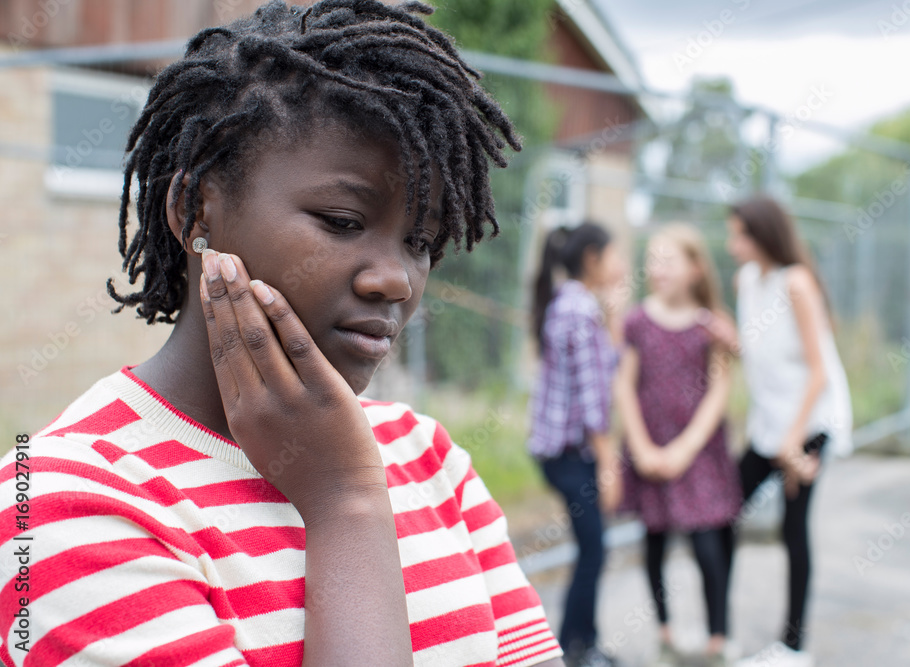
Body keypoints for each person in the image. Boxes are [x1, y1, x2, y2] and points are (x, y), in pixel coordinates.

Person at [0, 2, 566, 665]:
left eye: (420, 241)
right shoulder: (63, 504)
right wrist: (344, 502)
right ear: (193, 210)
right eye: (342, 220)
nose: (396, 279)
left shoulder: (429, 459)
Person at [720, 196, 853, 667]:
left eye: (741, 235)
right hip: (769, 425)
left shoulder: (796, 282)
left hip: (808, 421)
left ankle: (794, 648)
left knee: (793, 529)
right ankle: (720, 632)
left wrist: (794, 442)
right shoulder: (746, 281)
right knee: (723, 513)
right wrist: (726, 340)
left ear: (764, 234)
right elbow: (761, 348)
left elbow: (818, 370)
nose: (733, 244)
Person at [615, 225, 742, 667]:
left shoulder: (711, 326)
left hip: (699, 454)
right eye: (653, 259)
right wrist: (642, 448)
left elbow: (720, 389)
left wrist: (685, 450)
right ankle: (665, 634)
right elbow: (625, 386)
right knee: (654, 540)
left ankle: (718, 640)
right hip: (649, 450)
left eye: (669, 260)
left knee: (709, 544)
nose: (658, 269)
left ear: (695, 268)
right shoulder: (637, 321)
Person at [527, 223, 625, 667]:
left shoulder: (570, 303)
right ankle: (574, 648)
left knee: (592, 548)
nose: (621, 265)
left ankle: (583, 643)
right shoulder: (579, 310)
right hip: (570, 455)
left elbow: (607, 367)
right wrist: (608, 465)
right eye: (614, 255)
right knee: (594, 549)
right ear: (592, 258)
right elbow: (592, 398)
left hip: (562, 452)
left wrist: (615, 316)